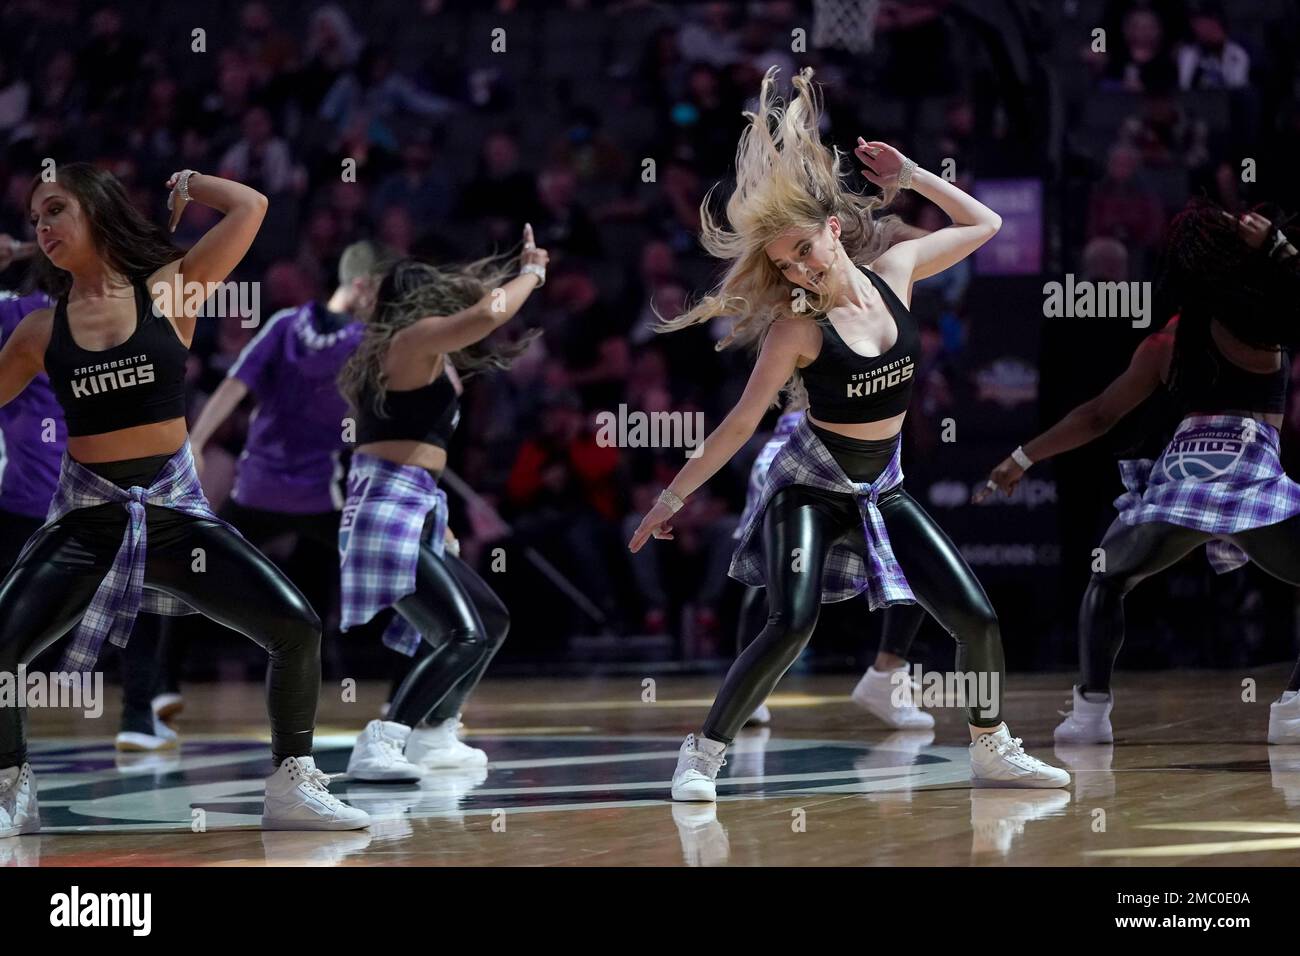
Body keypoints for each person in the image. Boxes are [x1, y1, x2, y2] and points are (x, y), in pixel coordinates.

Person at [628, 68, 1070, 801]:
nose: (799, 267)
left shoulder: (896, 270)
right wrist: (670, 498)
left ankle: (992, 748)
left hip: (880, 485)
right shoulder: (796, 330)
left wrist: (916, 176)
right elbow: (740, 424)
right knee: (791, 621)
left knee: (978, 619)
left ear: (834, 229)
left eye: (804, 248)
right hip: (810, 488)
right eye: (784, 263)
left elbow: (986, 225)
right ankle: (703, 754)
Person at [0, 162, 368, 836]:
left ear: (97, 210)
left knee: (297, 627)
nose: (43, 226)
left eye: (54, 209)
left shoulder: (171, 290)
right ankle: (11, 788)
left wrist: (189, 183)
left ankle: (292, 784)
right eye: (34, 219)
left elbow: (252, 206)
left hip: (172, 520)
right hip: (87, 524)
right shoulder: (38, 333)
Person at [978, 202, 1300, 746]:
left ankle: (1090, 714)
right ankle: (1292, 709)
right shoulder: (1262, 326)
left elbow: (1099, 415)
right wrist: (1277, 246)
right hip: (1248, 471)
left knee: (1108, 579)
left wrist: (1021, 458)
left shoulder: (1166, 339)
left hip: (1181, 474)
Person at [143, 240, 392, 726]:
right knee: (392, 568)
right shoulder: (367, 340)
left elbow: (233, 387)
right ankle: (403, 696)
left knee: (202, 574)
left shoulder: (283, 326)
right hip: (317, 492)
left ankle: (164, 684)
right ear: (363, 286)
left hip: (262, 487)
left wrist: (196, 439)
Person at [335, 226, 545, 780]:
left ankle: (434, 732)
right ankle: (381, 740)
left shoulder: (423, 352)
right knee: (462, 632)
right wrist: (532, 273)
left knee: (491, 620)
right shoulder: (408, 341)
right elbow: (486, 316)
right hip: (385, 508)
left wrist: (436, 517)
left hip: (413, 506)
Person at [735, 398, 933, 730]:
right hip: (806, 448)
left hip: (847, 451)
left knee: (910, 556)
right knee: (769, 572)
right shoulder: (809, 347)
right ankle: (747, 691)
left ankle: (886, 674)